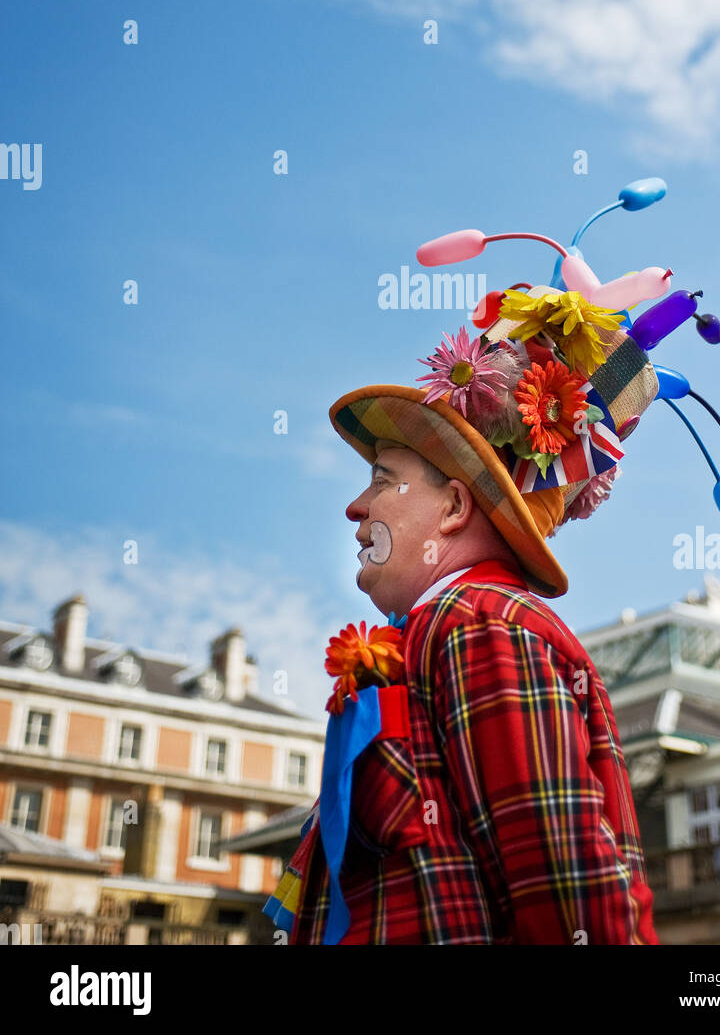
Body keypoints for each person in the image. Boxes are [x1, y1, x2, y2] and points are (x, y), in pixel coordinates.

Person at [266, 278, 661, 945]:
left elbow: (565, 894)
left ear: (452, 508)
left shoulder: (479, 625)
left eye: (384, 481)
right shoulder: (436, 633)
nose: (356, 509)